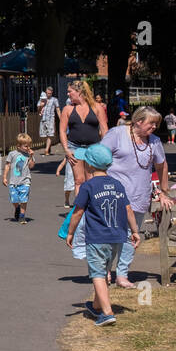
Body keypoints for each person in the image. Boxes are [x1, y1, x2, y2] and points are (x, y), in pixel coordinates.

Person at [65, 144, 141, 326]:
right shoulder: (117, 184)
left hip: (97, 238)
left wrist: (70, 232)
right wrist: (135, 231)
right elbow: (128, 209)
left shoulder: (88, 186)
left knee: (97, 273)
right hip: (117, 237)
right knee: (105, 270)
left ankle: (107, 313)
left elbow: (78, 211)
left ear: (89, 165)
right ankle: (96, 306)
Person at [101, 106, 176, 287]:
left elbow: (161, 165)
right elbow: (99, 158)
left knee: (130, 236)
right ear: (138, 121)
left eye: (156, 124)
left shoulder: (155, 141)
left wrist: (163, 192)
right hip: (113, 195)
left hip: (139, 196)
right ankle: (103, 272)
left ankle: (122, 275)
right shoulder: (117, 134)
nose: (154, 127)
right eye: (151, 123)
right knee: (111, 235)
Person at [61, 79, 110, 256]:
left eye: (70, 91)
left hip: (93, 148)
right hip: (75, 148)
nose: (68, 94)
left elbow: (104, 128)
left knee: (92, 180)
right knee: (79, 180)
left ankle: (93, 208)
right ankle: (80, 209)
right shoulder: (67, 109)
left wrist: (105, 149)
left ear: (79, 91)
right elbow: (62, 130)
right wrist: (66, 150)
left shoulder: (96, 107)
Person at [2, 133, 35, 224]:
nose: (28, 148)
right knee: (14, 199)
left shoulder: (28, 155)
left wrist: (31, 156)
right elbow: (7, 165)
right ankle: (17, 208)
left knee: (24, 200)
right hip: (14, 182)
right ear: (18, 146)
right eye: (26, 146)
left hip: (25, 181)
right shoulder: (12, 154)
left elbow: (31, 166)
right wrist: (4, 177)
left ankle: (22, 216)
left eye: (29, 146)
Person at [37, 87, 61, 155]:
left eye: (50, 93)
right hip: (43, 119)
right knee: (43, 135)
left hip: (50, 119)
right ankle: (48, 145)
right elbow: (38, 110)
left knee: (50, 134)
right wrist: (41, 106)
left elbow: (58, 109)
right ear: (45, 92)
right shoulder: (41, 99)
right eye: (47, 93)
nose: (48, 94)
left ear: (52, 93)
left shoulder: (54, 100)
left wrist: (61, 118)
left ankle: (46, 150)